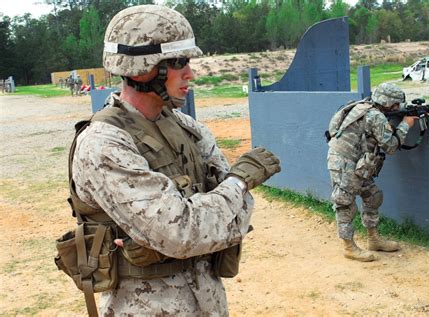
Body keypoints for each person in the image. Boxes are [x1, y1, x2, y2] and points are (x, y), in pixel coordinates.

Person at [62, 4, 280, 316]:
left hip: (208, 302)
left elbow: (240, 214)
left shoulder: (186, 128)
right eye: (179, 63)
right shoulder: (102, 144)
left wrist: (178, 233)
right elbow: (183, 234)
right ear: (143, 69)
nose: (190, 73)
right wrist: (238, 183)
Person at [326, 83, 417, 262]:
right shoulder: (375, 115)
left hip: (358, 163)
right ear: (388, 102)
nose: (398, 108)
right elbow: (390, 146)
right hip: (345, 163)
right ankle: (349, 247)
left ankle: (373, 239)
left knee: (372, 196)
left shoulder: (363, 106)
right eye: (396, 104)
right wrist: (406, 125)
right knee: (344, 203)